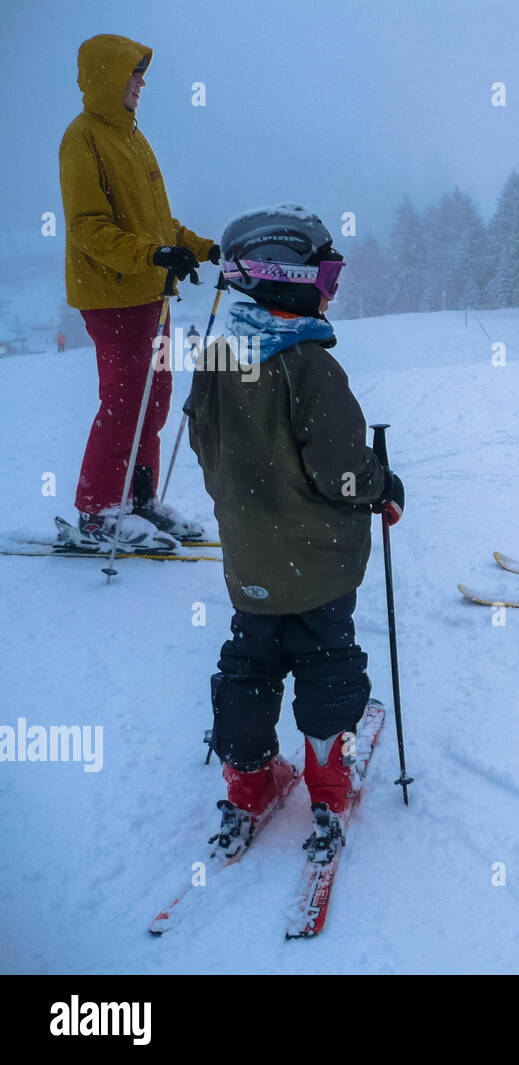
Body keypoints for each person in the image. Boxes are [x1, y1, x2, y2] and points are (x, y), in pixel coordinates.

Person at [185, 204, 404, 853]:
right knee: (326, 662)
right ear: (287, 277)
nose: (330, 290)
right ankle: (327, 780)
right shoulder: (308, 365)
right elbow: (340, 468)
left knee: (250, 664)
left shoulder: (218, 358)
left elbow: (204, 445)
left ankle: (249, 780)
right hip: (319, 568)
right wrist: (380, 485)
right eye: (326, 276)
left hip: (251, 566)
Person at [59, 33, 218, 551]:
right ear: (110, 76)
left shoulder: (133, 137)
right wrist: (150, 256)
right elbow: (87, 226)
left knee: (155, 399)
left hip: (152, 293)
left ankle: (138, 499)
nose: (142, 83)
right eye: (135, 74)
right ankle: (97, 513)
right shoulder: (82, 138)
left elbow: (157, 221)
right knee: (125, 400)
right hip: (111, 293)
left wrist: (201, 248)